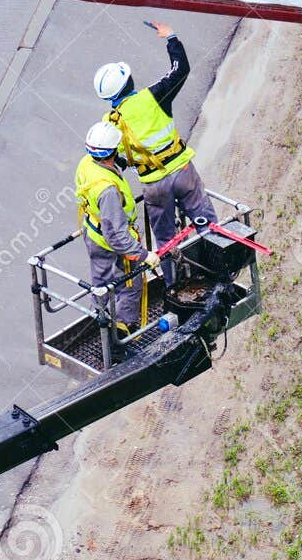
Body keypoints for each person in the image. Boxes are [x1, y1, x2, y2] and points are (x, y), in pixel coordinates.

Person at [92, 20, 218, 285]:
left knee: (165, 240)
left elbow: (116, 158)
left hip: (153, 185)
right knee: (206, 222)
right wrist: (171, 37)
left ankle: (173, 287)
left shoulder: (111, 120)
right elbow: (180, 69)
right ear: (129, 81)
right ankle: (219, 271)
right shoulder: (153, 97)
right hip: (182, 171)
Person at [74, 121, 159, 333]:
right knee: (131, 287)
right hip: (111, 240)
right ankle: (123, 333)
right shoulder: (108, 191)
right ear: (111, 151)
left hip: (93, 233)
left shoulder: (87, 163)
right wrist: (143, 255)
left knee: (101, 283)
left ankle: (99, 320)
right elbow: (116, 235)